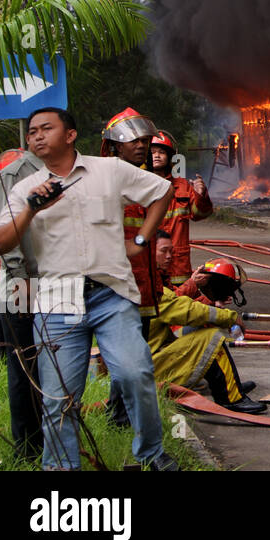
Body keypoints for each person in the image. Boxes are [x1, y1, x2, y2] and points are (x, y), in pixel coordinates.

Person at [0, 107, 180, 471]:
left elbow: (162, 191)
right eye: (32, 132)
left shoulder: (109, 170)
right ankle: (61, 469)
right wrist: (31, 209)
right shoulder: (24, 188)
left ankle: (152, 454)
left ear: (71, 134)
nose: (37, 137)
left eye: (46, 128)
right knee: (57, 397)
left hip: (110, 293)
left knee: (133, 372)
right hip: (57, 302)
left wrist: (142, 238)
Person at [100, 107, 173, 427]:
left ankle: (123, 413)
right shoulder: (107, 177)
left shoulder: (145, 181)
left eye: (145, 141)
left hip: (143, 283)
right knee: (125, 354)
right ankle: (120, 416)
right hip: (118, 283)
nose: (143, 146)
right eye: (135, 142)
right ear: (115, 144)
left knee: (137, 351)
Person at [148, 236, 265, 414]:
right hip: (149, 369)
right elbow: (182, 309)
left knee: (204, 332)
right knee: (212, 339)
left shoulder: (152, 279)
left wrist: (208, 301)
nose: (170, 256)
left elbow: (176, 303)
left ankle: (230, 386)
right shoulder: (149, 287)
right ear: (148, 252)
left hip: (151, 357)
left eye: (171, 251)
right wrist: (229, 317)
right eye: (163, 251)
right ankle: (231, 399)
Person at [0, 148, 44, 462]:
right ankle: (29, 448)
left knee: (47, 364)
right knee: (24, 366)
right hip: (20, 284)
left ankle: (49, 440)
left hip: (54, 283)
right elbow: (0, 239)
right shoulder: (9, 177)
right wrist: (20, 283)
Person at [150, 130, 213, 285]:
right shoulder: (137, 185)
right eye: (152, 152)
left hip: (178, 265)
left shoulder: (183, 186)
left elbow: (200, 214)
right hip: (150, 260)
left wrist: (201, 195)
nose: (157, 156)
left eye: (161, 152)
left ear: (171, 157)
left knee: (181, 303)